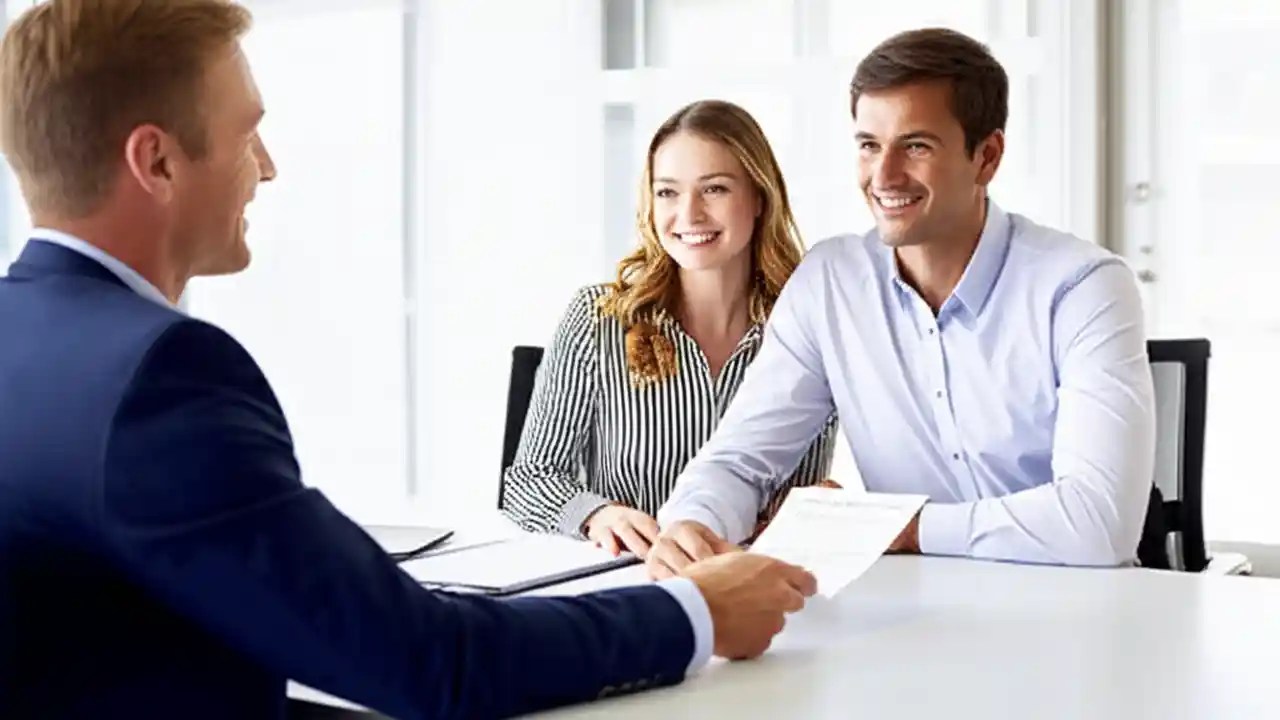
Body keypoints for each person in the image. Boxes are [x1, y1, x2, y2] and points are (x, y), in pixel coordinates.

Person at [0, 2, 817, 719]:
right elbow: (428, 661)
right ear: (158, 162)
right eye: (248, 133)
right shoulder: (162, 377)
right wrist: (694, 615)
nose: (270, 166)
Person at [647, 27, 1157, 579]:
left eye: (915, 146)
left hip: (1074, 613)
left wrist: (901, 526)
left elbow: (1099, 523)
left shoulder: (1083, 287)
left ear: (986, 157)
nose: (884, 176)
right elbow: (739, 462)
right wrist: (692, 523)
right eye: (869, 145)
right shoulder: (830, 283)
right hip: (910, 611)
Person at [500, 99, 838, 556]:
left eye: (714, 189)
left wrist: (823, 506)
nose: (689, 214)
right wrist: (596, 514)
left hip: (761, 585)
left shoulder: (809, 325)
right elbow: (528, 481)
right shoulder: (598, 319)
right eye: (668, 192)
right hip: (632, 585)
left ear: (759, 197)